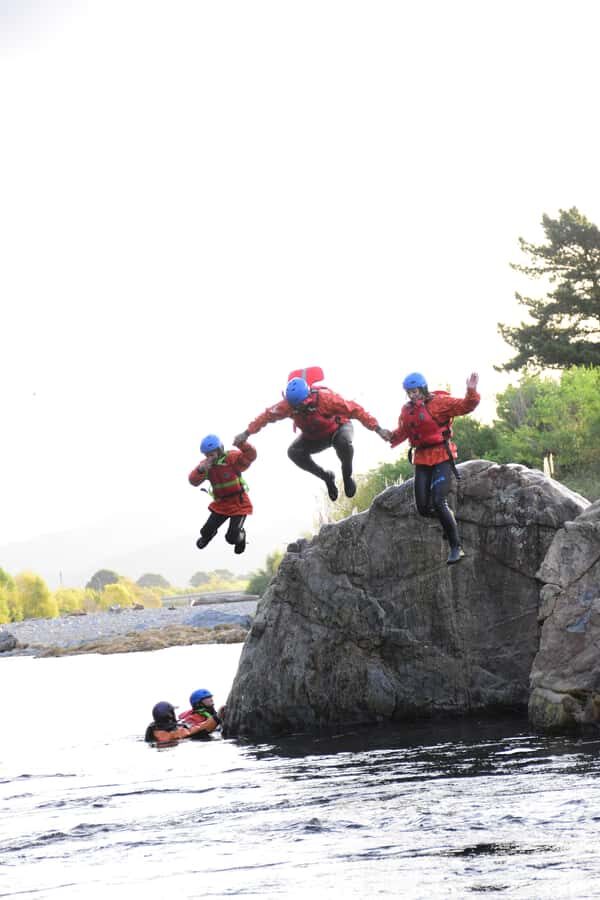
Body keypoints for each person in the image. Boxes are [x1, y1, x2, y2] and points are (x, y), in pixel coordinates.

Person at [233, 372, 389, 500]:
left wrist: (377, 428)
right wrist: (247, 433)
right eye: (295, 407)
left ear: (308, 397)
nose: (299, 409)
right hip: (314, 437)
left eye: (301, 406)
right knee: (293, 452)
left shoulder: (326, 399)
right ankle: (327, 477)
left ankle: (347, 477)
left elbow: (356, 410)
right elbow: (266, 416)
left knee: (343, 443)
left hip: (338, 428)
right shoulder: (287, 406)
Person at [389, 372, 480, 565]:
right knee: (423, 508)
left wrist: (471, 391)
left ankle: (456, 547)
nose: (412, 395)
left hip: (441, 455)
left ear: (422, 389)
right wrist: (387, 435)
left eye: (415, 391)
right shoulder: (407, 411)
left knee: (439, 500)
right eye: (409, 392)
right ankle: (449, 519)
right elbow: (402, 432)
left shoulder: (439, 403)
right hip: (422, 458)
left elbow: (466, 406)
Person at [189, 434, 256, 554]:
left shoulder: (231, 458)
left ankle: (241, 537)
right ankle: (208, 537)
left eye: (212, 454)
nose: (209, 457)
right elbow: (193, 481)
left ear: (219, 450)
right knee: (205, 531)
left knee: (231, 538)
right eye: (207, 455)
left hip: (239, 504)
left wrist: (242, 444)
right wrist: (200, 470)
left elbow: (250, 456)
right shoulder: (206, 466)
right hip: (221, 504)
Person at [144, 701, 217, 746]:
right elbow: (201, 728)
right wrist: (216, 718)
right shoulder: (177, 732)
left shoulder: (151, 729)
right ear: (171, 715)